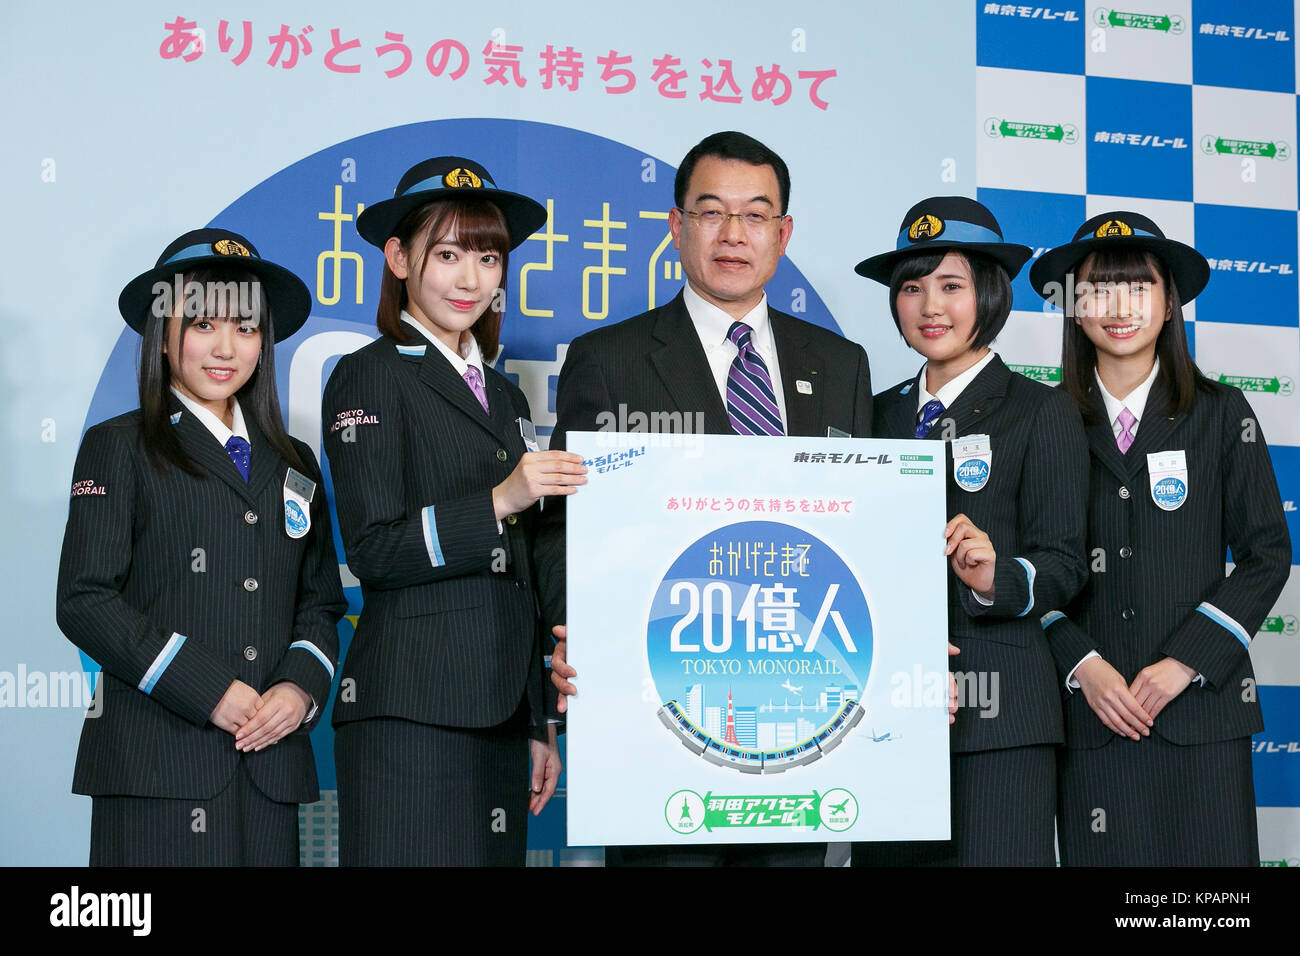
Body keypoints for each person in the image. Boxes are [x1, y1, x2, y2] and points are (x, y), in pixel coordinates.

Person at [540, 131, 874, 866]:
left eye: (756, 215)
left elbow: (866, 531)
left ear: (783, 234)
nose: (733, 234)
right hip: (659, 700)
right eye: (711, 211)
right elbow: (567, 525)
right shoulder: (610, 360)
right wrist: (576, 626)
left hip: (801, 710)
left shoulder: (841, 364)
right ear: (675, 225)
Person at [56, 228, 344, 865]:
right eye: (203, 324)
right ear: (163, 334)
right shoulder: (118, 445)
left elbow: (319, 605)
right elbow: (83, 600)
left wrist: (298, 692)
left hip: (270, 770)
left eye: (244, 328)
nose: (225, 348)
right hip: (155, 771)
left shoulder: (295, 461)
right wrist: (208, 688)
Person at [322, 156, 576, 865]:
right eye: (448, 254)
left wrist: (539, 718)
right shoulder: (367, 374)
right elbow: (372, 550)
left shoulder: (507, 398)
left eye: (489, 257)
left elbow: (521, 573)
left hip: (499, 717)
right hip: (408, 716)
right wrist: (500, 500)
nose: (471, 279)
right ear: (399, 258)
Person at [1029, 212, 1290, 866]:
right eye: (1097, 289)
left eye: (1138, 288)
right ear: (1071, 307)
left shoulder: (1224, 413)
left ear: (1170, 302)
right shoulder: (1041, 420)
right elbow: (1029, 568)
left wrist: (1187, 661)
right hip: (1092, 720)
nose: (1118, 308)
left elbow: (1266, 554)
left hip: (1202, 718)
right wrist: (1080, 663)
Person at [851, 196, 1088, 866]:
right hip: (882, 714)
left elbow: (1066, 561)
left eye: (952, 286)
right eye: (912, 288)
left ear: (989, 293)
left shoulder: (1043, 412)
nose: (931, 307)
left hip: (1001, 719)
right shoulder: (870, 414)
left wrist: (995, 580)